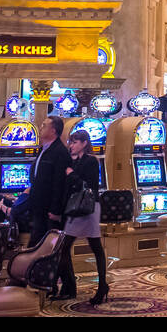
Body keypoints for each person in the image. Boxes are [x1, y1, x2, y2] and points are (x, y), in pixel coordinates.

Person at [55, 129, 109, 305]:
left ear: (85, 143)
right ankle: (68, 286)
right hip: (74, 209)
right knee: (64, 247)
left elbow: (90, 185)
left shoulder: (91, 161)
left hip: (89, 207)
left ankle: (102, 286)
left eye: (75, 142)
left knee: (95, 246)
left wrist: (71, 174)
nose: (72, 145)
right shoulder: (71, 161)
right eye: (71, 142)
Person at [26, 115, 71, 246]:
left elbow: (60, 183)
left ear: (53, 131)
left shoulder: (60, 152)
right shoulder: (43, 149)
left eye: (44, 125)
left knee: (47, 245)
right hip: (38, 205)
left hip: (49, 209)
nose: (40, 127)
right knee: (39, 243)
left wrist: (55, 210)